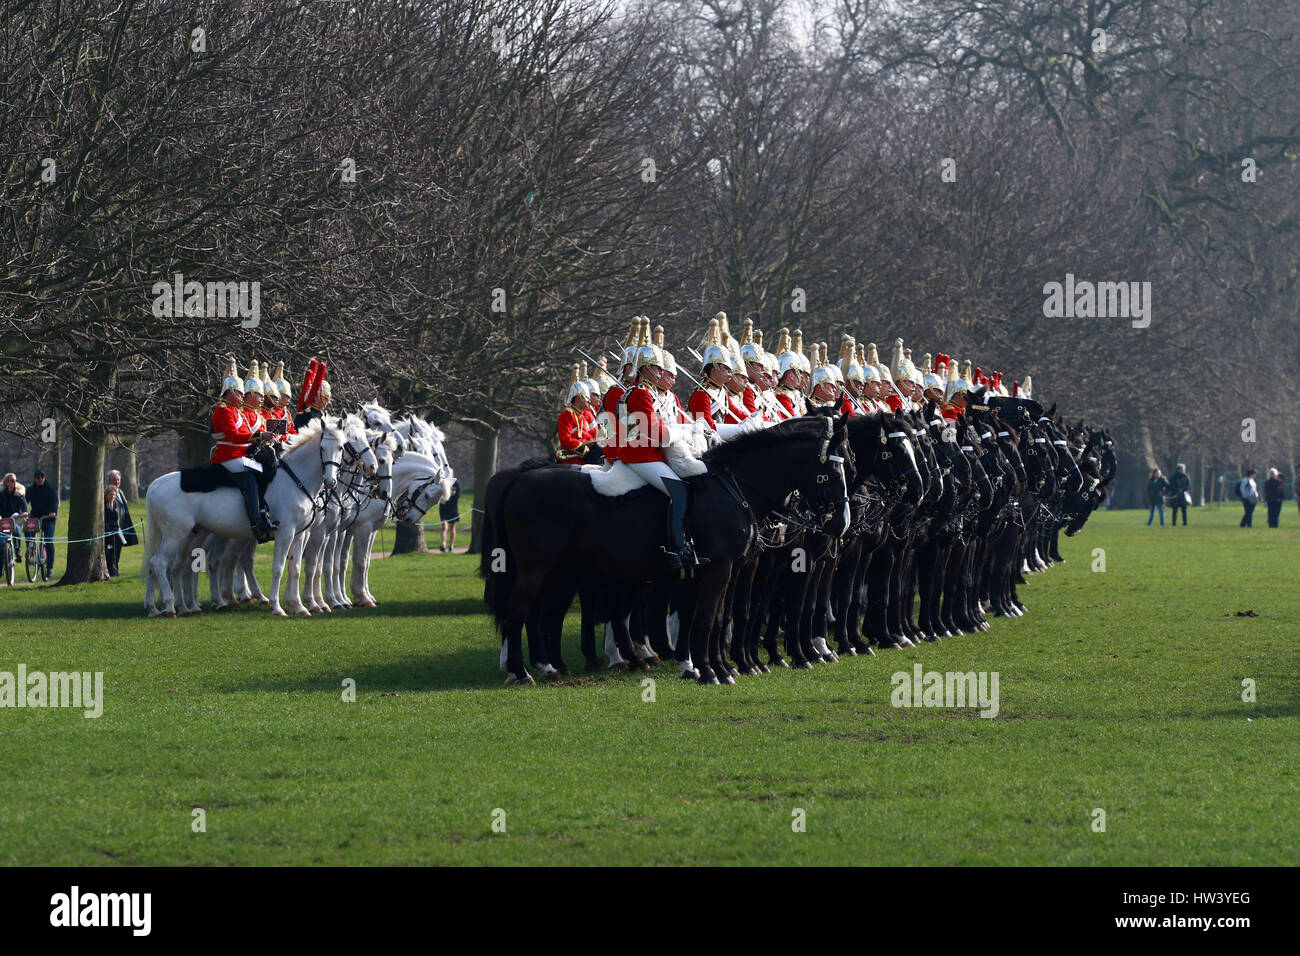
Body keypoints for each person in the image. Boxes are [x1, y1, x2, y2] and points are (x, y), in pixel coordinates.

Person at [211, 359, 278, 542]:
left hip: (240, 455)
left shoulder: (235, 411)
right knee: (250, 478)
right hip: (227, 455)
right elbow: (233, 436)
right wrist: (259, 437)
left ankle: (264, 512)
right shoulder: (224, 410)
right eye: (240, 393)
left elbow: (245, 434)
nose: (242, 396)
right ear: (231, 392)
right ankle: (256, 523)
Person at [27, 468, 57, 577]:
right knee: (27, 529)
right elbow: (26, 500)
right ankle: (30, 549)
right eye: (38, 478)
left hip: (48, 518)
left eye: (42, 477)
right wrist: (25, 511)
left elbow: (54, 501)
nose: (40, 479)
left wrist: (53, 512)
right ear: (35, 479)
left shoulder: (50, 489)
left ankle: (50, 567)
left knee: (48, 540)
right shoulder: (31, 489)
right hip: (35, 516)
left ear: (44, 478)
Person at [106, 469, 138, 555]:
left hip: (122, 527)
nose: (117, 482)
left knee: (118, 551)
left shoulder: (120, 492)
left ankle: (115, 568)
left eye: (118, 480)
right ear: (109, 481)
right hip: (112, 528)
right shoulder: (107, 492)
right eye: (114, 480)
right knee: (111, 553)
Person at [0, 473, 28, 560]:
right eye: (12, 481)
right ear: (6, 483)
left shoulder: (19, 493)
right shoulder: (1, 494)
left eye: (15, 480)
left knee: (17, 532)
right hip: (4, 519)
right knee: (2, 543)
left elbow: (24, 505)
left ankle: (17, 551)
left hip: (17, 518)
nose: (14, 482)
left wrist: (25, 512)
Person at [103, 485, 124, 576]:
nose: (113, 497)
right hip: (107, 533)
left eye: (114, 495)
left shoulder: (115, 504)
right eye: (111, 494)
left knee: (117, 549)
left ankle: (115, 568)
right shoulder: (103, 505)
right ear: (106, 495)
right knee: (109, 552)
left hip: (115, 532)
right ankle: (111, 569)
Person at [439, 478, 461, 552]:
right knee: (444, 527)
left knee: (452, 528)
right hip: (443, 509)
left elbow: (457, 495)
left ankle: (451, 546)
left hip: (453, 509)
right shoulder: (442, 483)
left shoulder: (455, 484)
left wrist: (452, 493)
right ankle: (443, 545)